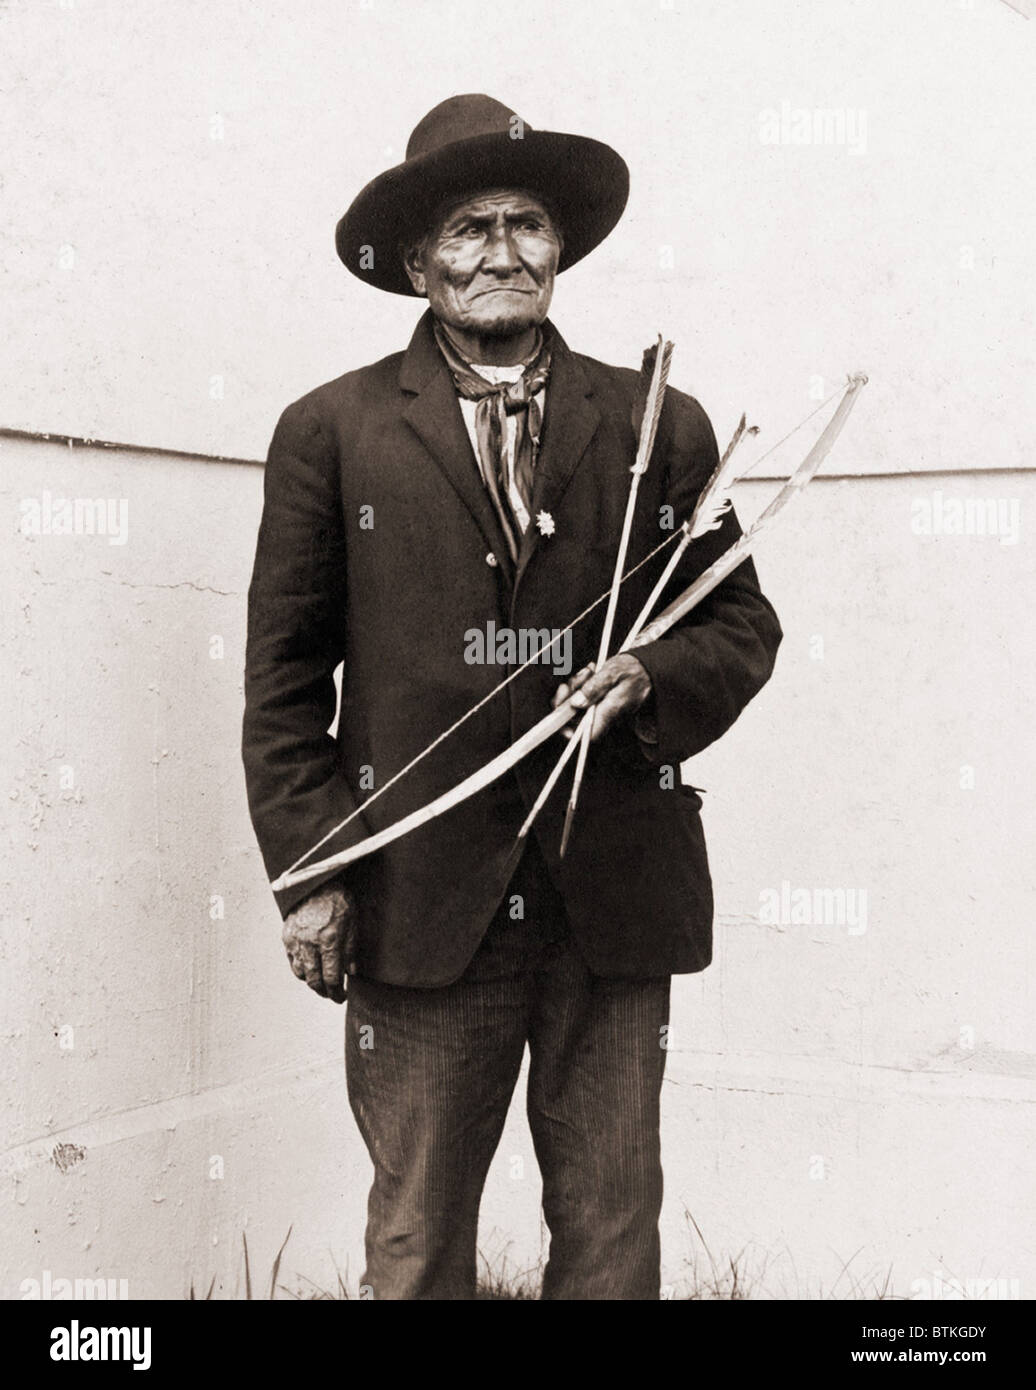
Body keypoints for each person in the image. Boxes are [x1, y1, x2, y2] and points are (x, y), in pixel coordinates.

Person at [242, 93, 782, 1300]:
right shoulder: (331, 431)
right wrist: (312, 871)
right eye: (468, 228)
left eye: (525, 223)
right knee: (417, 1235)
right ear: (421, 262)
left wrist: (650, 674)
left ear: (560, 247)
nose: (500, 252)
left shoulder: (658, 423)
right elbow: (282, 680)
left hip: (612, 895)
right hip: (420, 899)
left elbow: (741, 626)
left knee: (607, 1226)